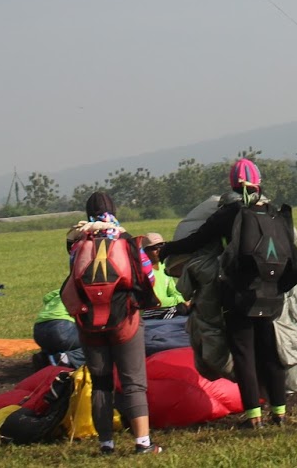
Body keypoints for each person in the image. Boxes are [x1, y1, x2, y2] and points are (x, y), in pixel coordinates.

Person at [150, 159, 297, 429]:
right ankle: (279, 413)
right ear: (259, 183)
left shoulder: (228, 213)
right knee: (271, 351)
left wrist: (166, 249)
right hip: (271, 292)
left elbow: (196, 240)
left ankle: (253, 416)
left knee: (244, 353)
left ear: (232, 184)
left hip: (238, 293)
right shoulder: (272, 212)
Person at [62, 190, 164, 454]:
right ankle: (142, 443)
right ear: (114, 211)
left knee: (101, 382)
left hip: (89, 323)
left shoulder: (77, 243)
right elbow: (148, 277)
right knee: (134, 382)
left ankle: (106, 443)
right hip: (125, 320)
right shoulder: (126, 240)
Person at [32, 286, 85, 369]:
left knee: (55, 345)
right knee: (95, 342)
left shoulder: (61, 291)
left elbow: (47, 298)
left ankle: (46, 358)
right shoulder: (85, 292)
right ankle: (65, 359)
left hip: (39, 330)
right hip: (62, 329)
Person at [137, 232, 186, 310]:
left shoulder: (164, 267)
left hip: (168, 308)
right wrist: (180, 301)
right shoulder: (144, 272)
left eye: (162, 246)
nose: (159, 250)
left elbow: (174, 292)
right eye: (155, 248)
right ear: (145, 251)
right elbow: (157, 301)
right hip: (151, 312)